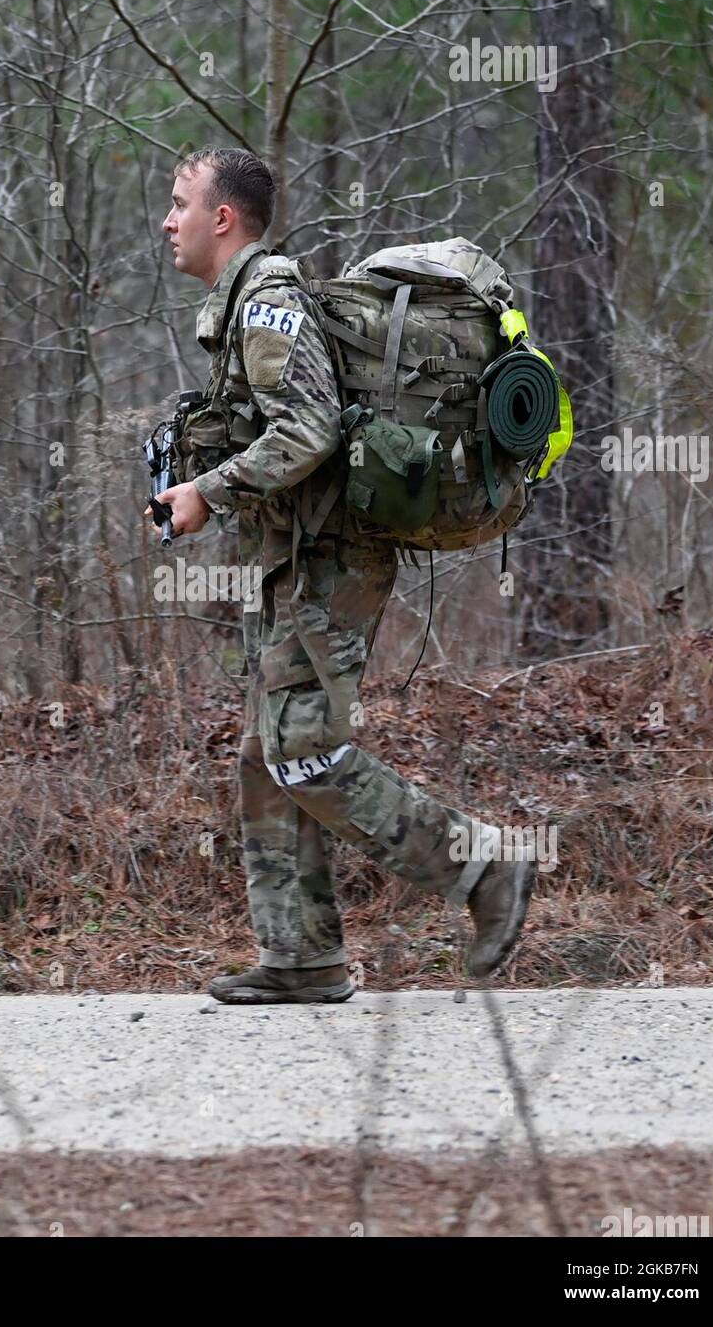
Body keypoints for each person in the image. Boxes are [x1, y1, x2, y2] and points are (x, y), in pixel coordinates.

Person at [146, 146, 535, 1004]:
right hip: (298, 555)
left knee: (303, 753)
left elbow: (309, 431)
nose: (167, 221)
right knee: (265, 753)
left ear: (224, 218)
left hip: (334, 559)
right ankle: (301, 955)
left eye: (180, 204)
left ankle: (484, 868)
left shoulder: (270, 302)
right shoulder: (245, 304)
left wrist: (206, 493)